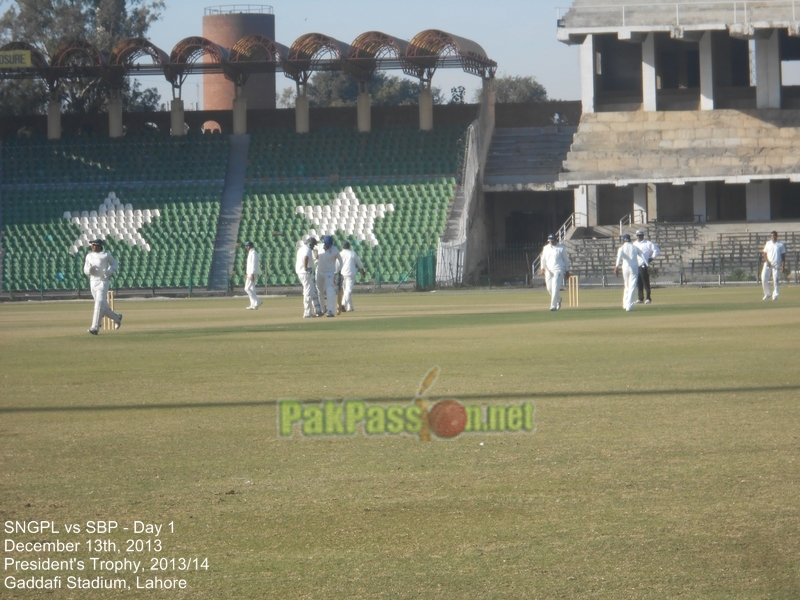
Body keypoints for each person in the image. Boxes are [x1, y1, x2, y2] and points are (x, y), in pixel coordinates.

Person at [83, 238, 122, 335]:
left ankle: (95, 328)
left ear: (100, 245)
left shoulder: (105, 255)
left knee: (98, 304)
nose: (93, 246)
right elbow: (85, 269)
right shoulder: (89, 256)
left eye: (95, 245)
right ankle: (117, 318)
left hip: (102, 281)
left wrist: (109, 271)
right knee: (102, 307)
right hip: (93, 282)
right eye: (92, 244)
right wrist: (89, 270)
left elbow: (115, 264)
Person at [614, 233, 645, 312]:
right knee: (632, 286)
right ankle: (629, 306)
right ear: (630, 239)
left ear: (623, 240)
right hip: (634, 267)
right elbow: (642, 255)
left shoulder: (622, 248)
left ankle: (625, 304)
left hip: (625, 267)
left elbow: (619, 257)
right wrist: (647, 265)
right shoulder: (634, 247)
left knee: (627, 286)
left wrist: (616, 266)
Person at [540, 233, 570, 311]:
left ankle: (553, 306)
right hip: (548, 269)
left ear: (556, 240)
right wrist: (542, 267)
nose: (551, 242)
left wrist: (567, 271)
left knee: (555, 287)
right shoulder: (546, 248)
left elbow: (565, 260)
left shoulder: (561, 248)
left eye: (552, 240)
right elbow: (543, 258)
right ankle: (558, 299)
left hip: (559, 269)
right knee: (549, 288)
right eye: (550, 241)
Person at [315, 235, 343, 317]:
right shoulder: (319, 247)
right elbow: (313, 250)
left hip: (329, 273)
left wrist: (338, 271)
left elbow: (341, 261)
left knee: (330, 289)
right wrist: (315, 258)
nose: (329, 246)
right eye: (327, 244)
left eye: (330, 244)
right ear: (324, 243)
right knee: (319, 290)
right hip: (319, 271)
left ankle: (331, 311)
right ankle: (322, 309)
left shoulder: (335, 250)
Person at [295, 236, 323, 318]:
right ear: (310, 244)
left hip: (302, 272)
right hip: (305, 273)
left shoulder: (301, 249)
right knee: (307, 292)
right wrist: (306, 268)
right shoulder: (307, 249)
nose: (313, 247)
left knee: (312, 290)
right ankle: (307, 313)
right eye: (313, 245)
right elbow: (305, 258)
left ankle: (318, 310)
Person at [633, 229, 660, 304]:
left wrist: (652, 257)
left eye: (640, 235)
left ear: (643, 235)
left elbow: (656, 249)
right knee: (639, 282)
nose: (639, 236)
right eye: (638, 235)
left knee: (645, 282)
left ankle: (648, 298)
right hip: (636, 264)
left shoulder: (648, 243)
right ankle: (640, 298)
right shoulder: (634, 244)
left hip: (644, 264)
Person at [339, 241, 366, 312]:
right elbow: (359, 263)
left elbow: (337, 265)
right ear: (349, 246)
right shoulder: (352, 254)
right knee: (348, 291)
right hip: (350, 274)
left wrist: (337, 273)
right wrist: (363, 271)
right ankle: (343, 305)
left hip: (343, 274)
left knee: (346, 291)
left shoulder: (340, 254)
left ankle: (350, 307)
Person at [762, 230, 787, 301]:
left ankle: (775, 295)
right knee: (764, 279)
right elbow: (764, 253)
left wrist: (783, 266)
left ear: (777, 236)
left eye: (774, 235)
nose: (773, 237)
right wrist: (767, 261)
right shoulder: (768, 243)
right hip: (768, 263)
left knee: (775, 280)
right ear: (770, 236)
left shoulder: (781, 244)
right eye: (772, 235)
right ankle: (767, 294)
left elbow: (783, 256)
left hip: (776, 264)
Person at [244, 241, 262, 310]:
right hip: (250, 273)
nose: (246, 247)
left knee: (247, 288)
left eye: (247, 246)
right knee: (251, 289)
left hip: (252, 273)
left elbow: (253, 265)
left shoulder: (254, 253)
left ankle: (258, 300)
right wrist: (247, 274)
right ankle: (253, 304)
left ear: (251, 246)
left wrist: (252, 274)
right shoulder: (251, 253)